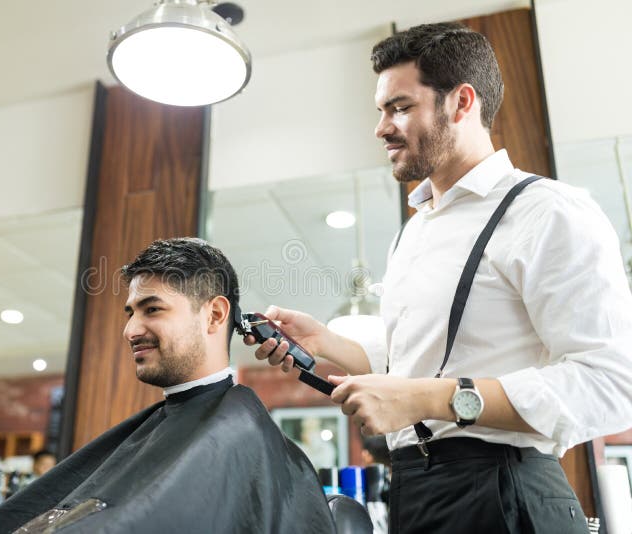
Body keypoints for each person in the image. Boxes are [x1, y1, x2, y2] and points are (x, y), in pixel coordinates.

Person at [247, 22, 632, 533]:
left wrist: (429, 398)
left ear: (462, 102)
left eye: (400, 107)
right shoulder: (413, 233)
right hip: (419, 492)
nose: (381, 127)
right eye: (381, 110)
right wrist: (327, 343)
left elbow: (611, 383)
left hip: (506, 497)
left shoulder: (548, 213)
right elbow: (420, 367)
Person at [0, 238, 335, 533]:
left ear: (215, 314)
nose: (130, 330)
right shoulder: (177, 425)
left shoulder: (240, 434)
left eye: (152, 309)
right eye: (131, 312)